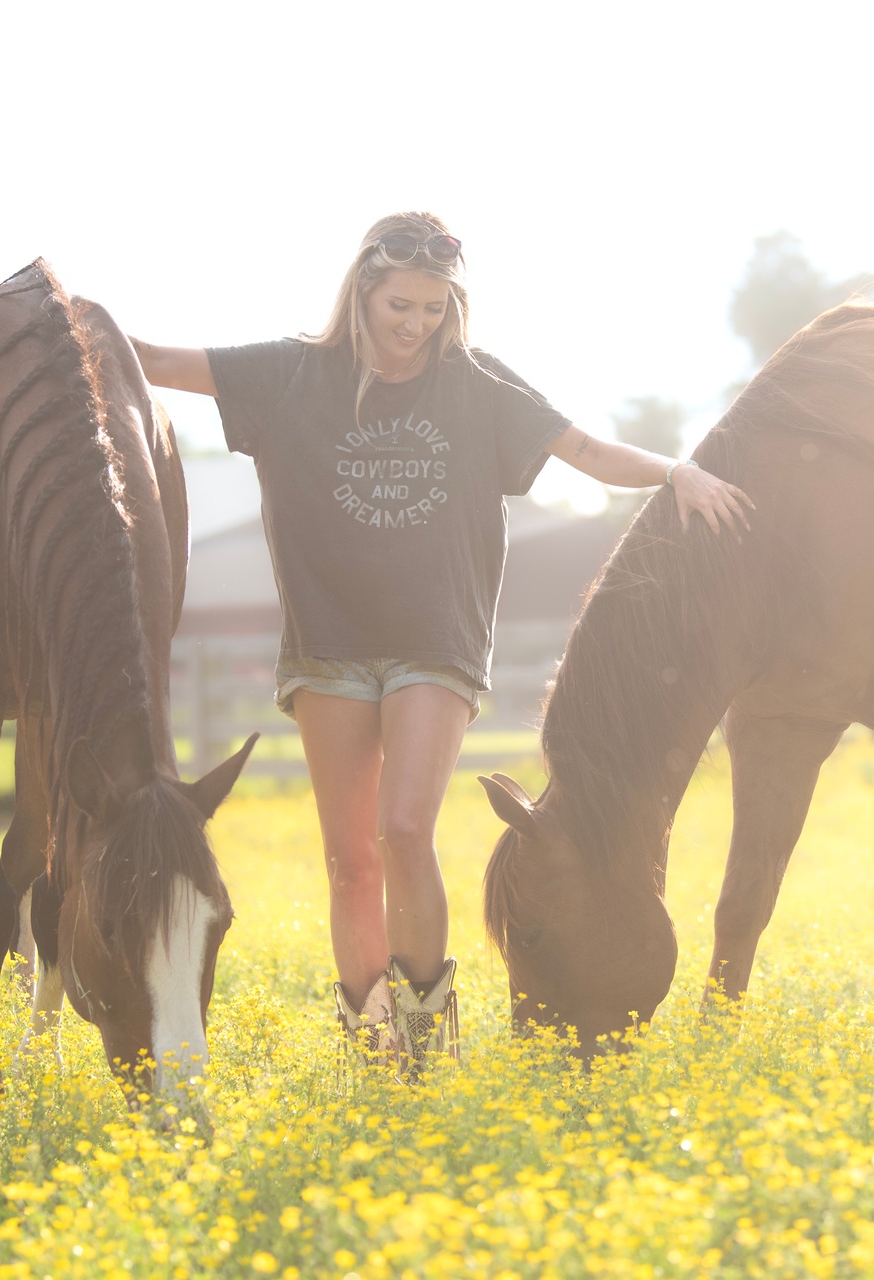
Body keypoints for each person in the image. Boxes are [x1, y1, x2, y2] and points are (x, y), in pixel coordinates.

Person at [133, 211, 751, 1072]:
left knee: (403, 829)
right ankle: (372, 1048)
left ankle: (423, 1039)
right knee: (349, 860)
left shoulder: (476, 385)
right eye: (400, 306)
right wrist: (60, 315)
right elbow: (155, 362)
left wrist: (676, 470)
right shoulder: (291, 374)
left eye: (432, 307)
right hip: (329, 646)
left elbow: (586, 449)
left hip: (435, 641)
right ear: (363, 291)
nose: (416, 324)